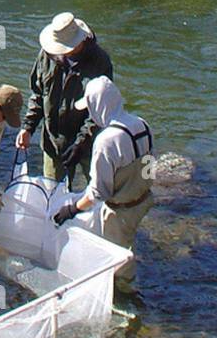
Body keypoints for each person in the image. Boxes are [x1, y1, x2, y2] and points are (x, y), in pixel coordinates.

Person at [52, 76, 154, 288]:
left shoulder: (106, 141)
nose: (90, 113)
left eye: (90, 107)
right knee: (127, 244)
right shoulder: (142, 124)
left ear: (99, 107)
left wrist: (71, 209)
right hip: (143, 200)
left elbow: (99, 193)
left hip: (121, 211)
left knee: (117, 261)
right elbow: (148, 167)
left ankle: (125, 295)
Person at [16, 12, 113, 186]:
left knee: (99, 190)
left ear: (81, 41)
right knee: (51, 192)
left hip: (89, 144)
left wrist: (80, 144)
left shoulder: (100, 62)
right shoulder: (46, 55)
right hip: (53, 141)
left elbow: (99, 110)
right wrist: (28, 127)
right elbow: (38, 94)